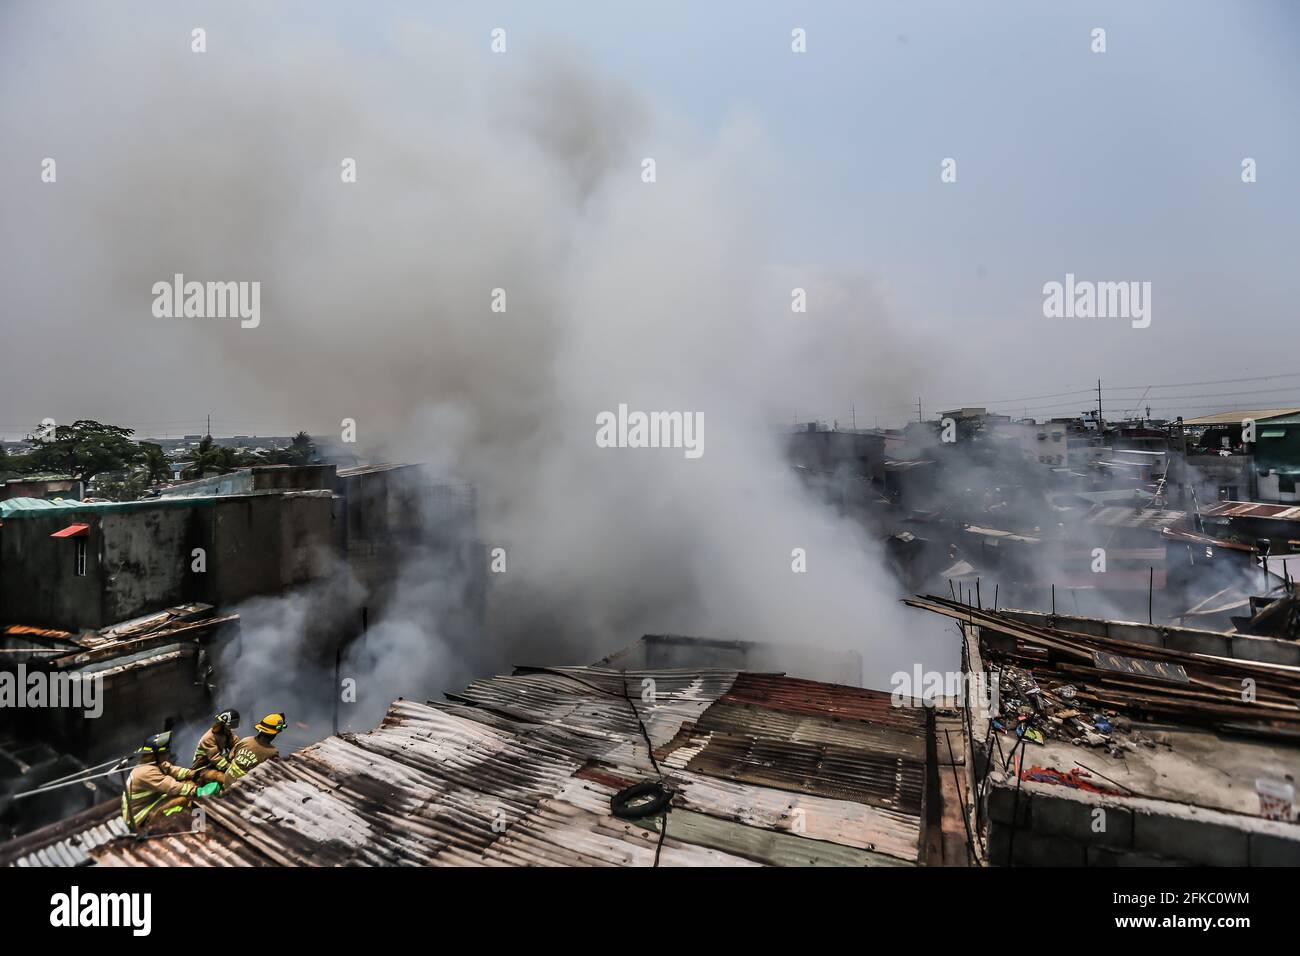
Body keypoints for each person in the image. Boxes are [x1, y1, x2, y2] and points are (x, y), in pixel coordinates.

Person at [121, 731, 219, 832]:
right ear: (156, 754)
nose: (167, 755)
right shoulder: (146, 772)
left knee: (187, 786)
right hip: (139, 819)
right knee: (185, 797)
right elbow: (172, 786)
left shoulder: (153, 763)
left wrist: (193, 774)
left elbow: (173, 770)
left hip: (149, 804)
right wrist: (197, 791)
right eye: (165, 753)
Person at [209, 713, 285, 789]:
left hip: (227, 780)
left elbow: (230, 757)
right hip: (242, 788)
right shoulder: (273, 752)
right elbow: (268, 774)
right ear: (276, 732)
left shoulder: (246, 740)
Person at [191, 708, 240, 773]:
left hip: (216, 762)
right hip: (203, 766)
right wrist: (230, 768)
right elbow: (215, 758)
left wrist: (242, 752)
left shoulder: (226, 732)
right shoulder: (208, 738)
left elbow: (236, 743)